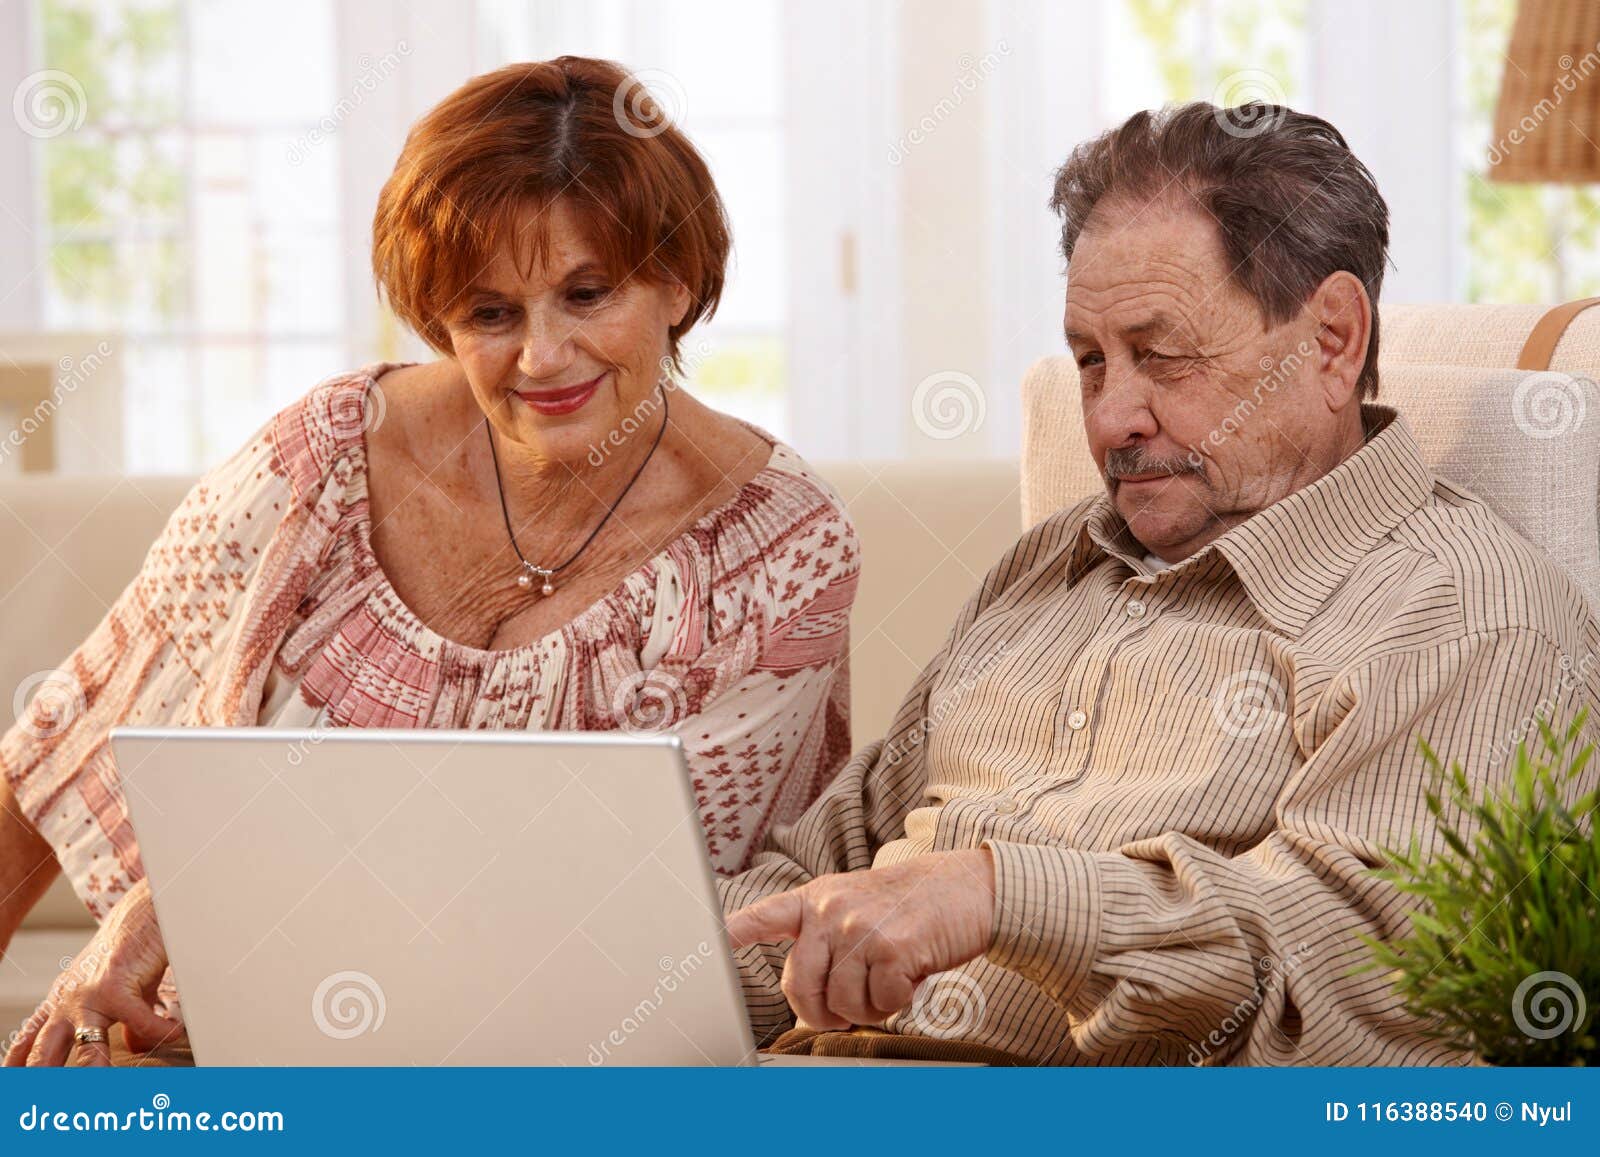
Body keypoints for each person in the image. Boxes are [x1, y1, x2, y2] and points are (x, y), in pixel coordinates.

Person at [0, 57, 858, 1067]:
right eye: (491, 313)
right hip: (218, 1048)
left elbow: (625, 912)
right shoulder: (322, 457)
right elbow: (53, 745)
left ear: (674, 280)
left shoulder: (782, 547)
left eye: (587, 293)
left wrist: (183, 895)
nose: (543, 357)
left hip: (574, 1075)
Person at [720, 102, 1600, 1065]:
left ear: (1334, 339)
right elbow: (822, 867)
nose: (1108, 419)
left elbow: (1354, 1002)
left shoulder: (1459, 613)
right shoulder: (1051, 565)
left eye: (1163, 357)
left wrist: (997, 896)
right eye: (1092, 361)